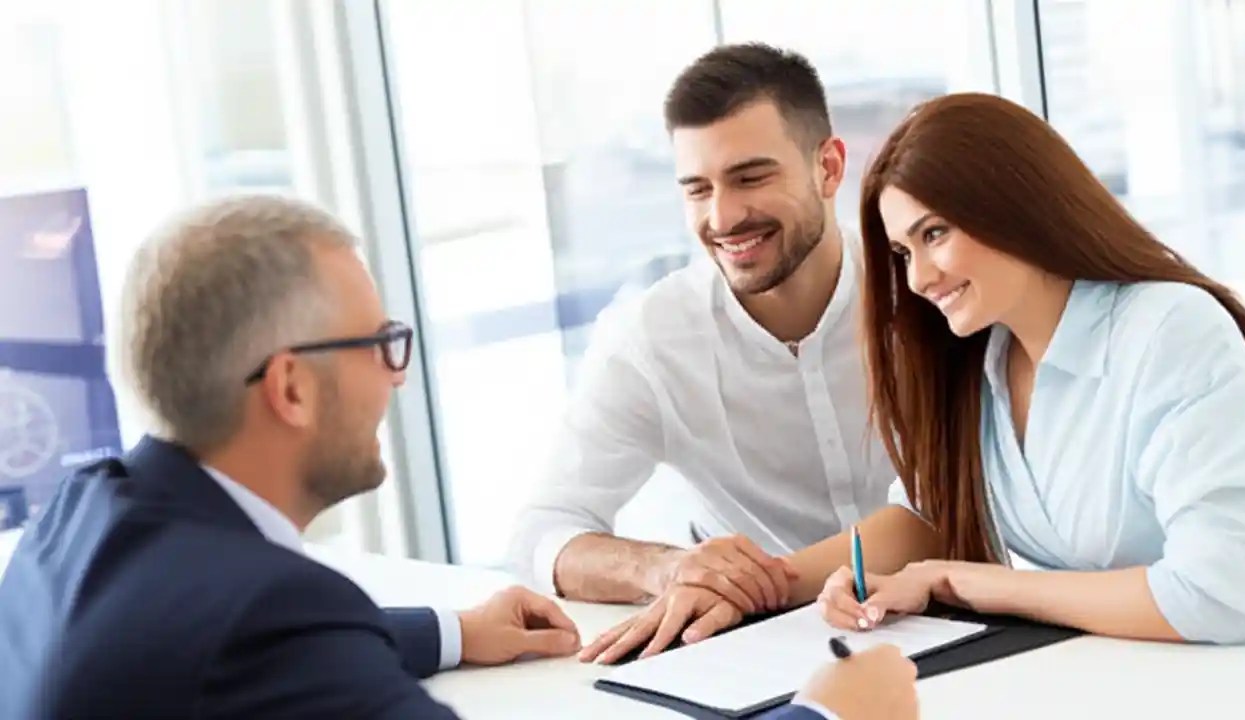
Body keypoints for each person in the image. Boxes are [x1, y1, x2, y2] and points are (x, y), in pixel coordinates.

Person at [0, 195, 914, 719]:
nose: (397, 381)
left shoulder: (82, 516)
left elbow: (248, 647)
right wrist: (828, 716)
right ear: (290, 388)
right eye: (379, 344)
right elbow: (271, 639)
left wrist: (451, 631)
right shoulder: (265, 615)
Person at [796, 92, 1245, 643]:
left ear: (1014, 206)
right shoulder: (980, 361)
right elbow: (925, 516)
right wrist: (820, 580)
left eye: (934, 234)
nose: (918, 280)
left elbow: (1223, 593)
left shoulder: (1169, 330)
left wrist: (969, 582)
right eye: (904, 253)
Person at [511, 43, 895, 662]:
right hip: (759, 652)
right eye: (697, 188)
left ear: (828, 168)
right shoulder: (651, 337)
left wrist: (755, 587)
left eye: (750, 178)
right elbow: (543, 531)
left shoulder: (921, 294)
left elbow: (938, 513)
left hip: (958, 622)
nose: (723, 216)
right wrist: (665, 569)